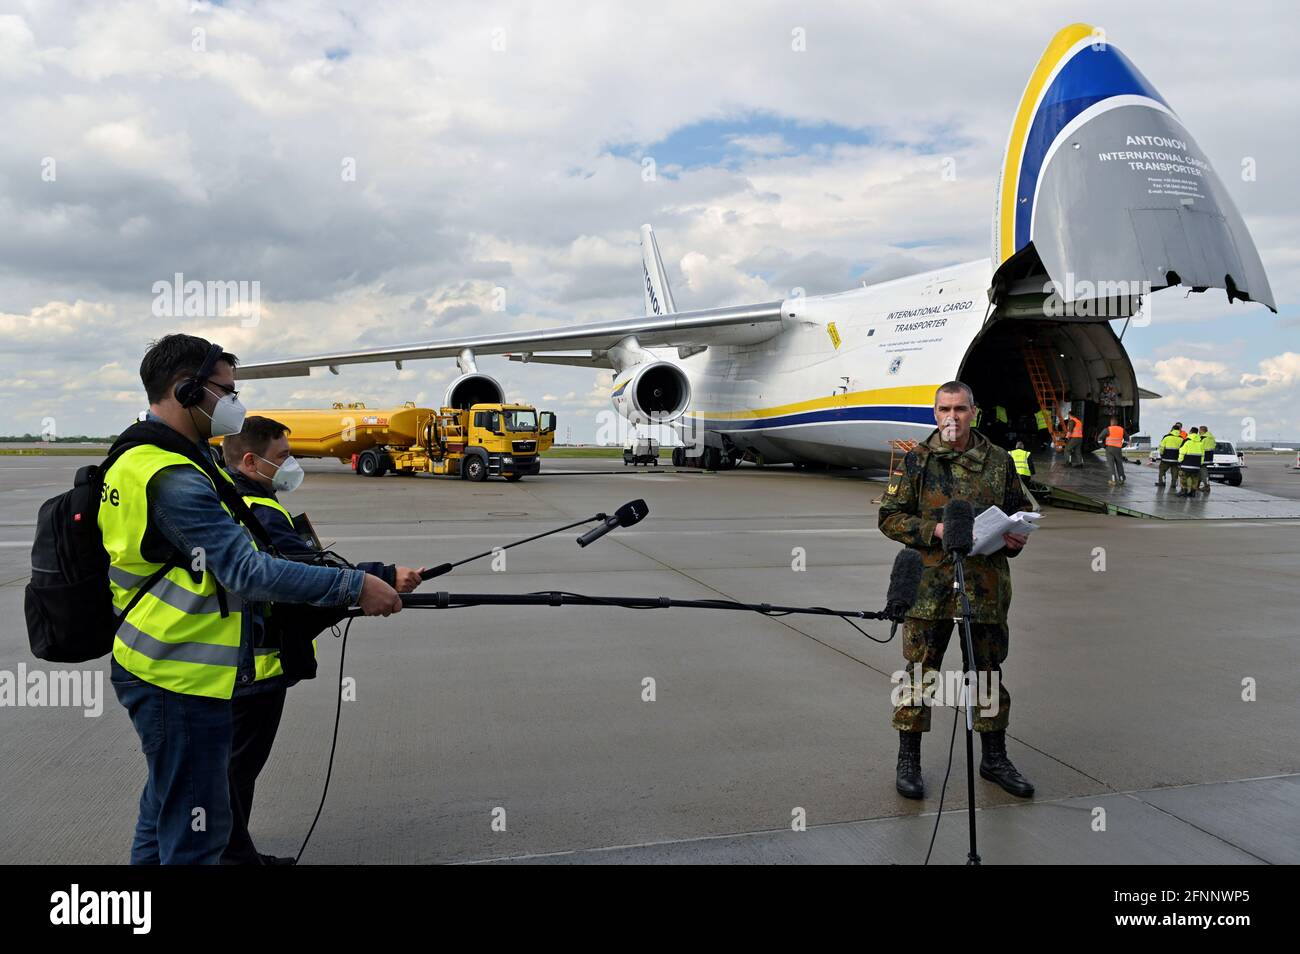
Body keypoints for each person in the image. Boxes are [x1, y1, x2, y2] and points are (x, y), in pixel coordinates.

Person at [104, 334, 402, 865]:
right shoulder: (169, 475)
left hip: (158, 661)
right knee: (197, 836)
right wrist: (354, 585)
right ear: (186, 390)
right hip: (180, 677)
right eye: (225, 390)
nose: (234, 403)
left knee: (164, 816)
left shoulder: (163, 457)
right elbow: (246, 570)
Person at [219, 416, 425, 864]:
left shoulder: (237, 499)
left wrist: (377, 577)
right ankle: (233, 859)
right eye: (283, 457)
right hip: (253, 665)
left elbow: (310, 565)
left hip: (236, 663)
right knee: (235, 773)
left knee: (229, 772)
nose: (291, 464)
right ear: (251, 461)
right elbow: (306, 574)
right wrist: (381, 577)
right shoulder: (258, 511)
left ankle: (232, 853)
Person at [878, 381, 1035, 801]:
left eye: (960, 409)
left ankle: (994, 757)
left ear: (973, 412)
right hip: (928, 589)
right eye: (945, 409)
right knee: (917, 676)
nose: (952, 417)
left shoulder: (999, 461)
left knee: (986, 674)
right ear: (935, 414)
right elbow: (890, 518)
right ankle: (908, 759)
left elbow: (1021, 509)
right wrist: (937, 530)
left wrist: (1016, 536)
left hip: (983, 589)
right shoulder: (916, 460)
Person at [1177, 427, 1204, 497]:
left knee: (1183, 478)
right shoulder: (1200, 443)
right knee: (1195, 479)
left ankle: (1184, 491)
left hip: (1186, 465)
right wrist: (1200, 463)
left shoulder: (1187, 441)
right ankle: (1193, 492)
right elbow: (1203, 455)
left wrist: (1179, 461)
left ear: (1191, 432)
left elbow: (1182, 452)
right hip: (1196, 466)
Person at [1100, 416, 1126, 485]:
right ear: (1116, 423)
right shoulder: (1121, 429)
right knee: (1119, 464)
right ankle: (1121, 479)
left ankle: (1113, 480)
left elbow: (1099, 438)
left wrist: (1103, 446)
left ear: (1111, 423)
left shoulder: (1108, 429)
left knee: (1111, 465)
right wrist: (1122, 445)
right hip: (1118, 449)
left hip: (1109, 449)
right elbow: (1127, 439)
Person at [1156, 422, 1183, 489]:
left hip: (1166, 458)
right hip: (1176, 459)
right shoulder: (1181, 438)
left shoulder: (1166, 437)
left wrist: (1162, 454)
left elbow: (1161, 447)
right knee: (1174, 472)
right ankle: (1173, 484)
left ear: (1172, 429)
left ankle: (1162, 482)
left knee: (1162, 470)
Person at [1198, 425, 1216, 492]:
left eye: (1199, 430)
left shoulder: (1203, 438)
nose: (1198, 432)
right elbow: (1214, 446)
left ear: (1202, 431)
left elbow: (1199, 447)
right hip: (1209, 457)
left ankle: (1206, 486)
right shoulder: (1212, 438)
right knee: (1200, 470)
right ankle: (1197, 485)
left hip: (1203, 457)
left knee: (1203, 471)